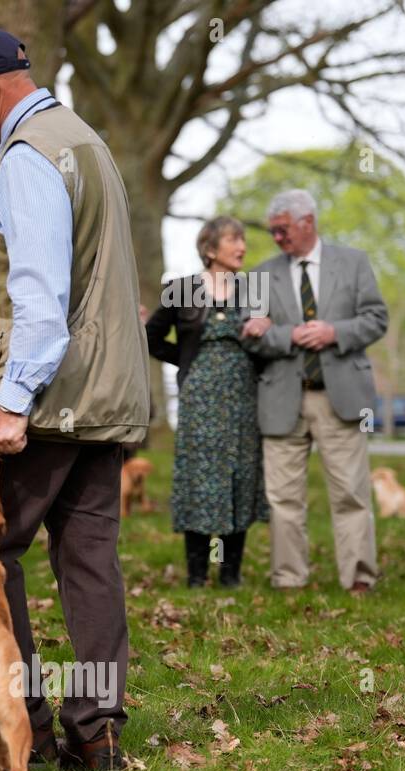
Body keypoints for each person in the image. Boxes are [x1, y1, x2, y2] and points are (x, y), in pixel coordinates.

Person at [0, 28, 149, 771]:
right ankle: (97, 730)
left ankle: (14, 723)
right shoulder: (86, 141)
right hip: (103, 394)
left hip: (45, 399)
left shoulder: (28, 159)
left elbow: (42, 298)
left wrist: (10, 403)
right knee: (89, 560)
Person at [242, 189, 387, 593]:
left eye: (282, 229)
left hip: (341, 400)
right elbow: (251, 337)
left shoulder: (354, 263)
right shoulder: (259, 274)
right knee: (284, 500)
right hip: (281, 400)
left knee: (351, 494)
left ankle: (359, 577)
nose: (276, 237)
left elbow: (376, 319)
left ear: (308, 222)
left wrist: (333, 332)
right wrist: (290, 336)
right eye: (272, 231)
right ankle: (289, 579)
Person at [146, 216, 268, 586]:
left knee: (238, 477)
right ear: (210, 249)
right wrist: (186, 360)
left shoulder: (253, 289)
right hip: (199, 399)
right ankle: (196, 575)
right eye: (234, 240)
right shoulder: (182, 289)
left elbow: (268, 343)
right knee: (200, 480)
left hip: (244, 398)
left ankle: (231, 575)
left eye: (243, 240)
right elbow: (151, 337)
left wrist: (266, 328)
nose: (242, 247)